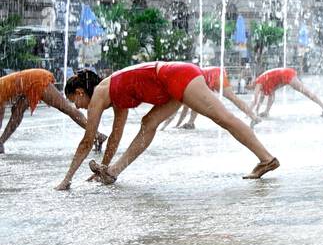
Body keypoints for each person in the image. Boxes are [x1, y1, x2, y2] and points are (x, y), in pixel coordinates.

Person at [55, 63, 279, 189]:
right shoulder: (112, 93)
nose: (78, 108)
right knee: (148, 123)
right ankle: (111, 172)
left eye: (75, 102)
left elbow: (87, 140)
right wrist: (103, 168)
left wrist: (67, 180)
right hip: (172, 79)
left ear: (80, 92)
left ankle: (266, 158)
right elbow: (115, 135)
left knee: (223, 118)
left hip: (177, 77)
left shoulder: (99, 97)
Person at [0, 68, 104, 154]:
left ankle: (97, 135)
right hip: (32, 80)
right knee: (17, 113)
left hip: (37, 81)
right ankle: (1, 142)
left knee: (67, 109)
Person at [162, 66, 260, 130]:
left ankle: (253, 117)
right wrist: (177, 125)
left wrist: (165, 128)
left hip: (214, 74)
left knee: (232, 97)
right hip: (216, 72)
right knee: (232, 97)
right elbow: (188, 107)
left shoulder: (181, 89)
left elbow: (175, 112)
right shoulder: (183, 86)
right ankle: (253, 116)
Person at [250, 67, 323, 118]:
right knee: (305, 92)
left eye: (247, 87)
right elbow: (264, 97)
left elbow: (255, 100)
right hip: (285, 74)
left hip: (286, 75)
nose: (248, 89)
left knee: (306, 92)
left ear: (251, 83)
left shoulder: (258, 83)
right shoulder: (262, 82)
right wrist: (259, 111)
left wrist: (248, 112)